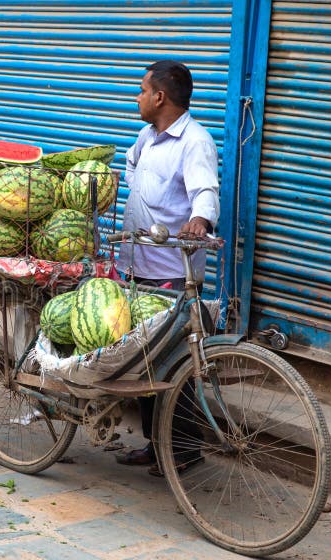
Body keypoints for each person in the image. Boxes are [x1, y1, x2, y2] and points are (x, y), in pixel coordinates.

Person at [115, 60, 220, 476]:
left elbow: (205, 189)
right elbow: (131, 168)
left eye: (142, 90)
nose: (137, 97)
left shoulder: (195, 142)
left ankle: (185, 450)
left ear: (159, 97)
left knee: (175, 368)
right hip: (137, 264)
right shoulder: (146, 136)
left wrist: (200, 220)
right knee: (142, 360)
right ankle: (155, 446)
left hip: (172, 271)